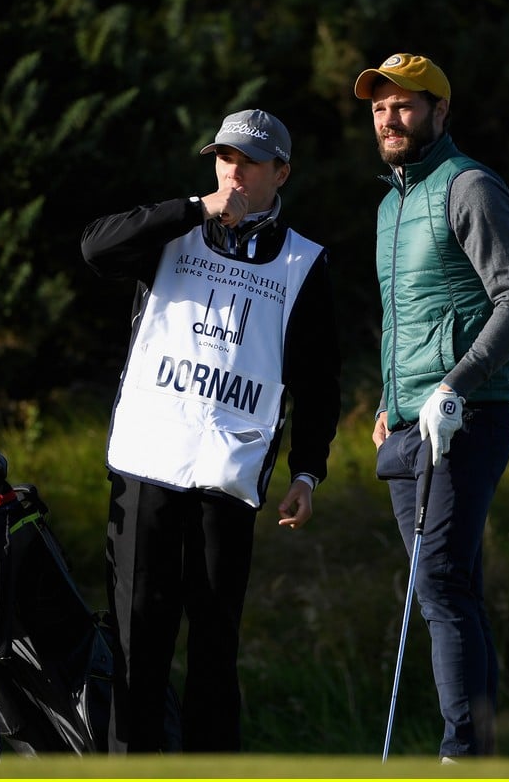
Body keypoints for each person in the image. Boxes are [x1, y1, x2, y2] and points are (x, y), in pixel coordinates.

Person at [79, 109, 341, 753]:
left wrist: (308, 470)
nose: (234, 174)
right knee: (138, 644)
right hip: (145, 469)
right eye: (225, 160)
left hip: (227, 481)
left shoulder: (304, 262)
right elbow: (95, 248)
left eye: (249, 163)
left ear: (280, 173)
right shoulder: (173, 231)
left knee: (214, 653)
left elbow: (319, 379)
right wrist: (192, 208)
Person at [353, 54, 509, 760]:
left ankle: (460, 755)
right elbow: (405, 316)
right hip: (409, 423)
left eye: (405, 105)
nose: (389, 118)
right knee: (448, 591)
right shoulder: (389, 205)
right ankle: (481, 752)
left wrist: (453, 386)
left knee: (437, 584)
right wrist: (389, 399)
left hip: (468, 415)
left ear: (439, 111)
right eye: (379, 107)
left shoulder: (470, 186)